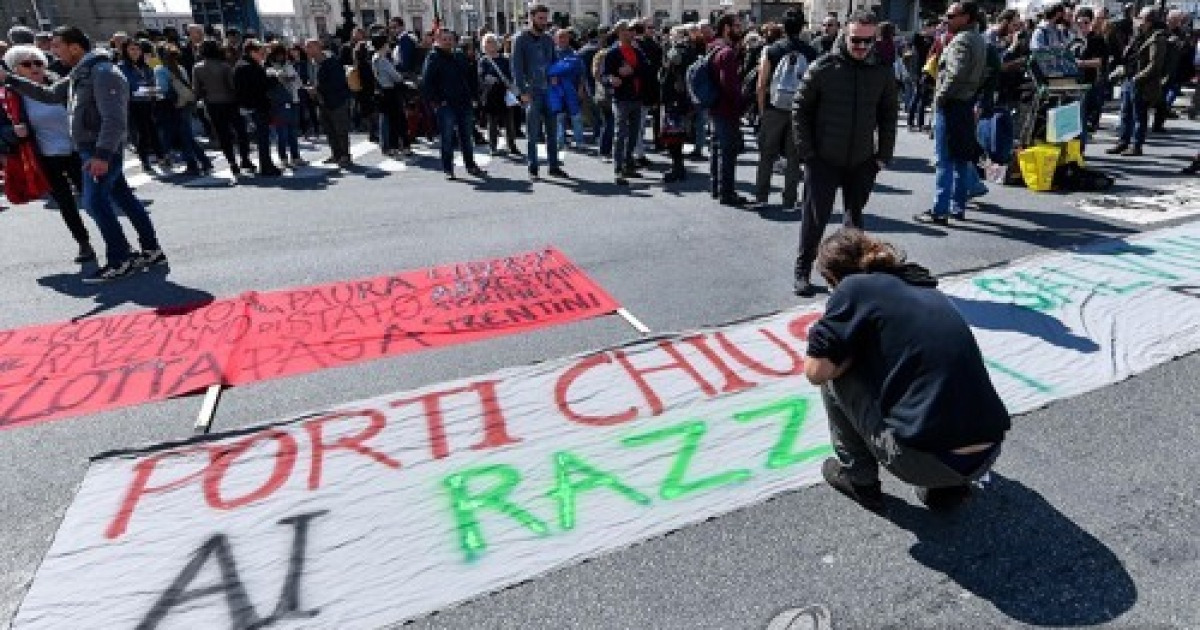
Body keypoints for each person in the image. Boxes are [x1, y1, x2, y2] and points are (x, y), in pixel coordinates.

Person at [805, 228, 1010, 514]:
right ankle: (949, 489)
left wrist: (845, 353)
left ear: (833, 279)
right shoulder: (920, 285)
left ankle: (859, 480)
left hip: (925, 461)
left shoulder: (852, 288)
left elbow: (815, 371)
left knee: (835, 375)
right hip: (988, 452)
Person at [1, 26, 167, 283]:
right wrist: (9, 78)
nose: (52, 51)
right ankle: (151, 250)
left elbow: (114, 119)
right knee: (122, 197)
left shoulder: (102, 72)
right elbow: (49, 94)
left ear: (75, 47)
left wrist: (101, 155)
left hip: (99, 149)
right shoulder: (83, 72)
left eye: (57, 46)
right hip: (92, 148)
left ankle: (120, 258)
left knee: (94, 203)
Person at [791, 10, 897, 296]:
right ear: (844, 36)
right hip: (823, 159)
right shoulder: (823, 68)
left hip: (862, 160)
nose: (861, 47)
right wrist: (808, 153)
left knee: (854, 221)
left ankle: (848, 274)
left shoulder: (881, 72)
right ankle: (803, 268)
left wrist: (882, 155)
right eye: (855, 41)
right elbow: (800, 109)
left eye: (867, 41)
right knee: (814, 219)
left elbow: (889, 115)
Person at [0, 44, 95, 263]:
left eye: (38, 62)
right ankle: (84, 244)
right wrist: (13, 132)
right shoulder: (9, 97)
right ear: (15, 70)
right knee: (66, 202)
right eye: (27, 64)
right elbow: (3, 130)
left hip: (77, 151)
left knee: (92, 200)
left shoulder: (59, 85)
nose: (34, 67)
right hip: (45, 157)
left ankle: (115, 242)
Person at [915, 2, 986, 225]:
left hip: (953, 103)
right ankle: (957, 207)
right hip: (965, 103)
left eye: (951, 15)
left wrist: (940, 97)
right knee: (960, 158)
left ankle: (940, 209)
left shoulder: (962, 40)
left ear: (966, 17)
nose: (946, 19)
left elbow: (955, 74)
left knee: (944, 160)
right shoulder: (977, 38)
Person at [754, 11, 816, 210]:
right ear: (801, 27)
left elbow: (761, 84)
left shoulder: (772, 50)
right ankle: (789, 199)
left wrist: (763, 110)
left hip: (774, 107)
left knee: (766, 154)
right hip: (799, 110)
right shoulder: (810, 52)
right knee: (793, 157)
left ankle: (762, 196)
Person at [512, 4, 569, 181]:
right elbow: (516, 68)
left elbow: (553, 62)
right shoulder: (520, 39)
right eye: (540, 18)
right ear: (531, 18)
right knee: (533, 133)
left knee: (552, 132)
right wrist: (521, 92)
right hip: (532, 92)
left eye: (545, 18)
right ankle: (533, 167)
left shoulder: (547, 39)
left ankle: (553, 166)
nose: (544, 22)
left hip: (549, 92)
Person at [421, 29, 486, 180]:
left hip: (463, 101)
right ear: (438, 40)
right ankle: (448, 168)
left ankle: (470, 165)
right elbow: (426, 82)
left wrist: (473, 96)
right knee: (447, 137)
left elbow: (469, 76)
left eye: (450, 39)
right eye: (444, 39)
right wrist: (437, 101)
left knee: (466, 136)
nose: (448, 42)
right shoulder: (433, 57)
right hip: (446, 104)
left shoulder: (459, 55)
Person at [1106, 7, 1167, 157]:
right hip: (1129, 78)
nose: (1137, 20)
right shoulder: (1138, 35)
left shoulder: (1157, 38)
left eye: (1140, 18)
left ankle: (1136, 145)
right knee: (1125, 112)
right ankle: (1123, 142)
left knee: (1139, 115)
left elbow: (1154, 65)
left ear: (1149, 21)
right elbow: (1129, 55)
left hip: (1141, 82)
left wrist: (1137, 78)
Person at [193, 39, 254, 175]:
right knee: (241, 132)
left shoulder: (197, 68)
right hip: (230, 102)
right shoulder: (225, 66)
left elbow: (196, 89)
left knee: (223, 134)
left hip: (212, 103)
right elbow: (232, 86)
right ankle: (245, 159)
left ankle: (232, 163)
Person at [602, 20, 652, 185]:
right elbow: (604, 75)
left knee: (633, 134)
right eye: (626, 31)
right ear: (619, 33)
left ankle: (629, 164)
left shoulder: (637, 51)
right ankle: (618, 168)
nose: (630, 33)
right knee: (620, 134)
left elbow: (647, 69)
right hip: (621, 98)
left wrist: (632, 71)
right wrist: (611, 79)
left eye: (631, 30)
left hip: (637, 98)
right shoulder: (613, 53)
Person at [708, 13, 750, 207]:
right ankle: (727, 193)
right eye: (737, 26)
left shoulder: (714, 47)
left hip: (715, 106)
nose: (740, 29)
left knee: (717, 148)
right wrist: (740, 103)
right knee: (727, 152)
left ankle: (717, 188)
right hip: (726, 108)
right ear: (726, 28)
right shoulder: (726, 52)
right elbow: (729, 84)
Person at [154, 44, 213, 176]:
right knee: (186, 135)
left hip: (172, 106)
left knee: (184, 136)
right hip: (185, 103)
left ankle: (193, 164)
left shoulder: (160, 69)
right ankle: (203, 161)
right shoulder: (179, 68)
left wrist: (152, 91)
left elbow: (163, 89)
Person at [233, 39, 282, 176]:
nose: (263, 55)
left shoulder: (243, 65)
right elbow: (261, 86)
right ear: (252, 52)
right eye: (261, 52)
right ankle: (266, 166)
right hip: (257, 106)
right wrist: (273, 78)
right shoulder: (249, 67)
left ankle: (266, 164)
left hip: (251, 106)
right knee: (263, 138)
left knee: (262, 137)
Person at [116, 39, 166, 171]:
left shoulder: (145, 66)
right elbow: (124, 86)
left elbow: (151, 81)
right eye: (132, 49)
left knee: (153, 130)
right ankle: (145, 160)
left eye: (137, 49)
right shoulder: (121, 67)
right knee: (141, 133)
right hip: (133, 104)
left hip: (148, 101)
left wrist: (154, 90)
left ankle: (161, 156)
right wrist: (137, 91)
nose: (135, 52)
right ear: (126, 51)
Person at [305, 38, 353, 167]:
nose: (307, 50)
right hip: (322, 101)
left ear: (318, 47)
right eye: (307, 47)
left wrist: (317, 88)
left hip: (336, 100)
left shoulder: (331, 61)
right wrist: (311, 86)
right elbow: (314, 79)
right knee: (329, 129)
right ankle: (336, 154)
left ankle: (345, 155)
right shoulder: (312, 63)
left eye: (309, 47)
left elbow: (337, 82)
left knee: (340, 129)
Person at [658, 25, 697, 183]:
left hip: (675, 98)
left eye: (672, 35)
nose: (669, 37)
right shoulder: (691, 50)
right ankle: (678, 167)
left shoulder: (677, 51)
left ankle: (677, 168)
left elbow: (667, 73)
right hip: (683, 98)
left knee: (674, 136)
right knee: (678, 135)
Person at [478, 33, 521, 157]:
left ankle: (512, 145)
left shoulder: (505, 59)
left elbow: (511, 73)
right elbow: (482, 76)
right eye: (488, 42)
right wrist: (494, 81)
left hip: (505, 93)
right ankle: (493, 146)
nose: (491, 44)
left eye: (493, 41)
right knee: (492, 122)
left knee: (509, 121)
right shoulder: (483, 61)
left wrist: (508, 83)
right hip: (491, 95)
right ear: (484, 45)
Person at [265, 41, 304, 168]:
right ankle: (283, 157)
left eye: (283, 54)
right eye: (278, 54)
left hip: (293, 100)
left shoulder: (288, 65)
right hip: (278, 103)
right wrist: (282, 78)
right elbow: (272, 83)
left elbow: (298, 83)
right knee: (281, 132)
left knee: (293, 131)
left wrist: (288, 78)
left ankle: (295, 156)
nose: (281, 57)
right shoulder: (268, 68)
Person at [371, 34, 410, 157]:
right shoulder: (383, 60)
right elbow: (395, 76)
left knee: (391, 121)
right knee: (399, 120)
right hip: (390, 91)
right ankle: (403, 146)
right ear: (383, 45)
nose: (389, 46)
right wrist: (403, 79)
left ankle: (393, 146)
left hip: (382, 91)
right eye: (387, 43)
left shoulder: (374, 58)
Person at [551, 28, 586, 151]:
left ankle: (579, 140)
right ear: (555, 39)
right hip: (555, 90)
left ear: (568, 38)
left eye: (564, 37)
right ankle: (560, 142)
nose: (562, 39)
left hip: (571, 88)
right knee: (558, 116)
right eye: (559, 37)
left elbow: (581, 74)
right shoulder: (551, 54)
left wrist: (581, 89)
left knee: (575, 116)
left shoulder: (574, 54)